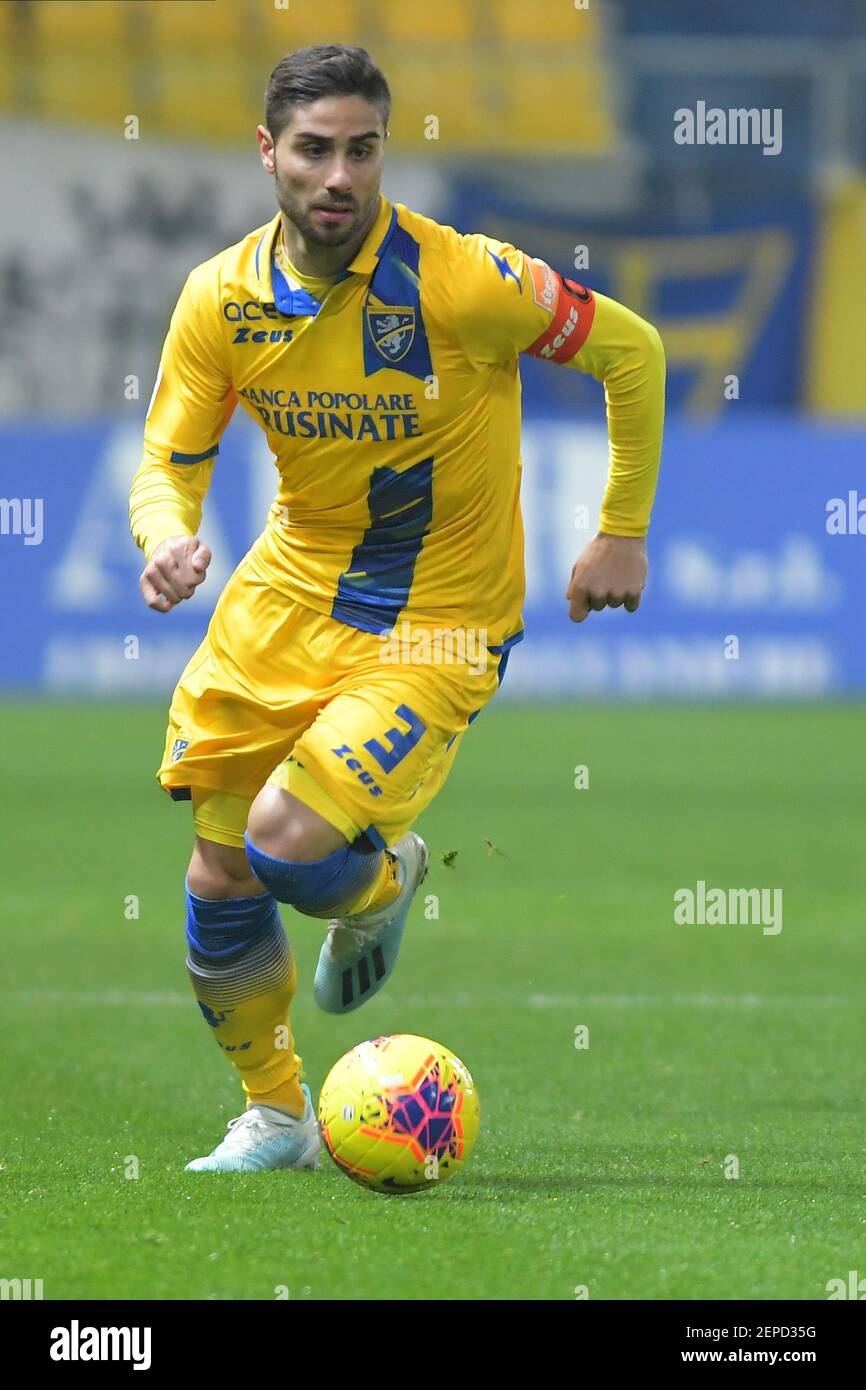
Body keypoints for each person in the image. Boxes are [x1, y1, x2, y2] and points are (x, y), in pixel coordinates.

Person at [128, 44, 666, 1173]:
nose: (338, 176)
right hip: (283, 598)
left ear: (383, 154)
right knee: (218, 872)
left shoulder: (464, 278)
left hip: (434, 620)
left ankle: (384, 880)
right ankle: (276, 1114)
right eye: (314, 150)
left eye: (361, 151)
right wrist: (163, 536)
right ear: (267, 152)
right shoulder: (219, 297)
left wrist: (620, 527)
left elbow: (633, 351)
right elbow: (169, 457)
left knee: (285, 844)